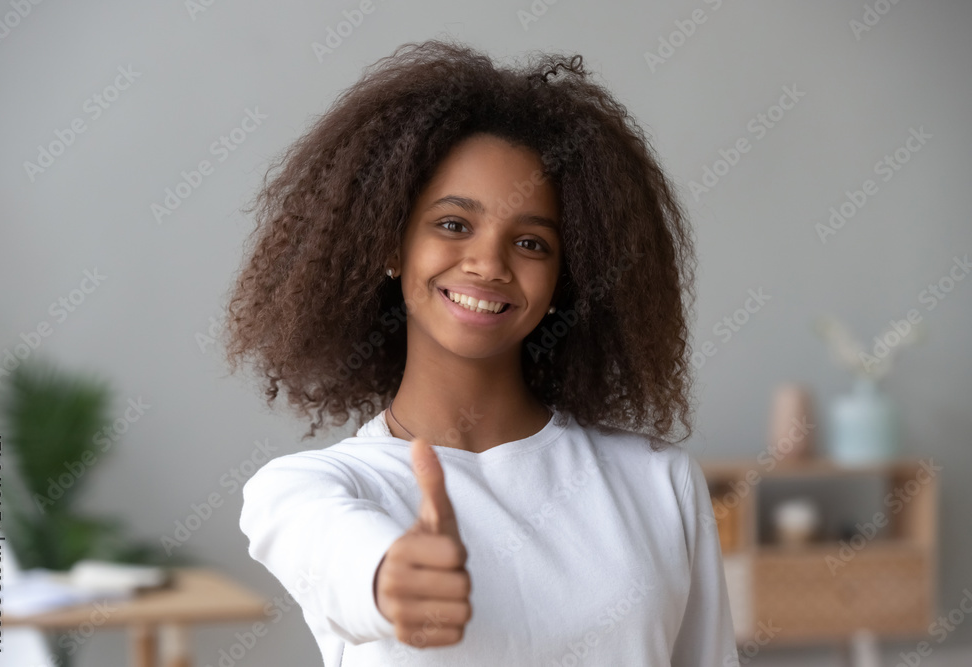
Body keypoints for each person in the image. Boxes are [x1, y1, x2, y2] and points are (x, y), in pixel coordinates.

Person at [225, 37, 739, 666]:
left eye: (530, 243)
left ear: (562, 283)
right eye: (453, 225)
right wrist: (390, 577)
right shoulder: (315, 490)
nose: (488, 263)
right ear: (389, 246)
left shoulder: (659, 483)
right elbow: (332, 550)